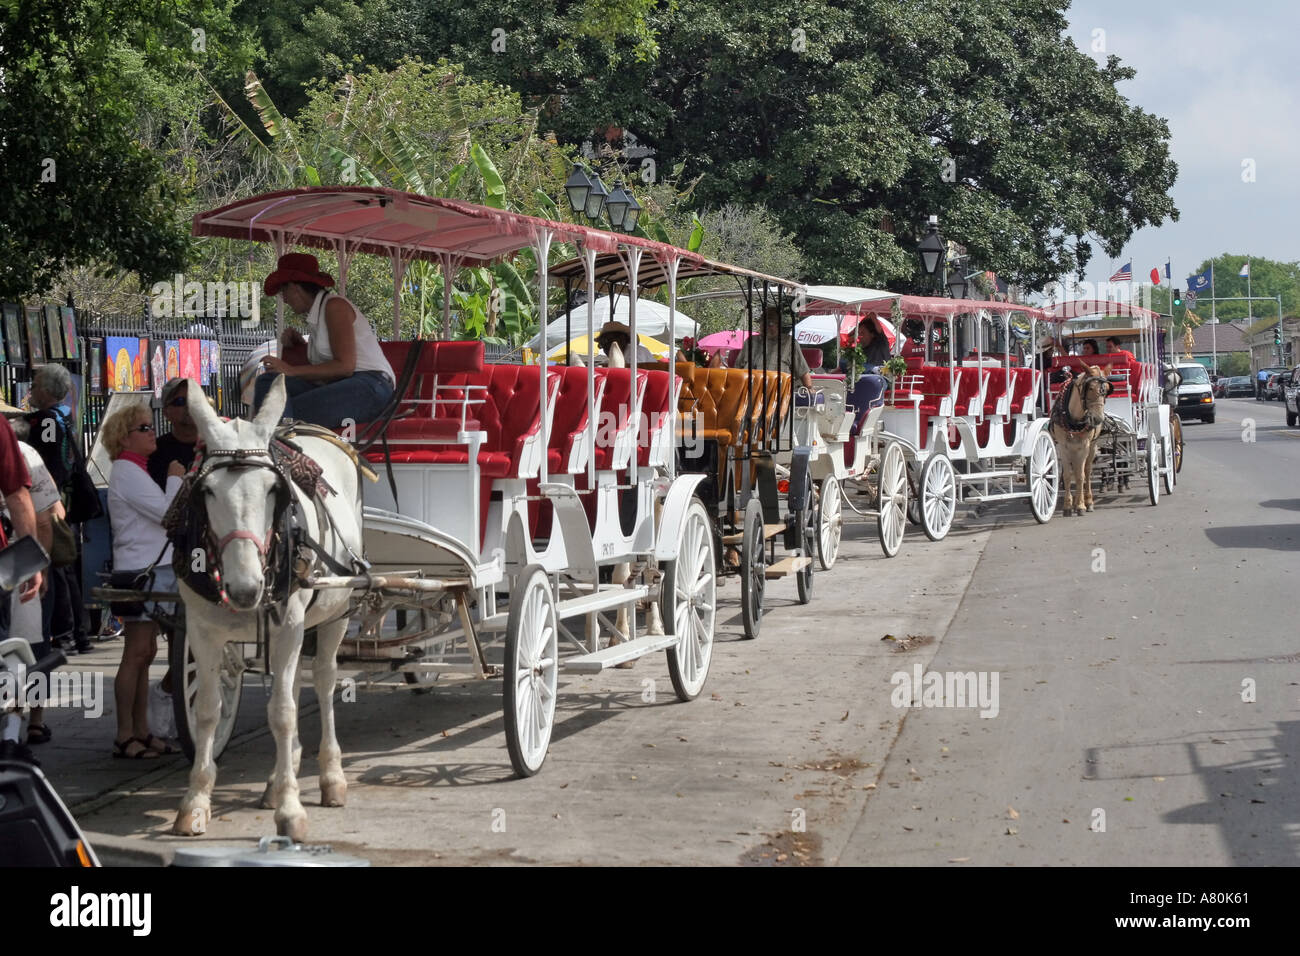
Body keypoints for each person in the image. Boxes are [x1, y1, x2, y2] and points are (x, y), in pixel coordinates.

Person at [102, 404, 185, 759]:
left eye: (151, 426)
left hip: (153, 568)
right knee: (136, 653)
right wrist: (176, 477)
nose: (152, 432)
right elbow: (168, 513)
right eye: (143, 428)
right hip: (141, 570)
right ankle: (125, 734)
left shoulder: (135, 470)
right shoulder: (126, 470)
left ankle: (141, 729)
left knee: (146, 652)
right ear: (124, 437)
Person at [252, 253, 396, 429]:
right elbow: (327, 361)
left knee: (282, 413)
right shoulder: (318, 314)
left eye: (284, 292)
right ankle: (274, 436)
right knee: (269, 382)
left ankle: (276, 441)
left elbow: (344, 367)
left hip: (369, 387)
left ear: (295, 288)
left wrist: (291, 370)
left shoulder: (335, 306)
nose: (285, 299)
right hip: (344, 385)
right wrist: (302, 346)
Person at [25, 364, 97, 655]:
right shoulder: (63, 418)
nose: (31, 389)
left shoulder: (45, 422)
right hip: (64, 503)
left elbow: (46, 465)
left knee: (57, 569)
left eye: (36, 384)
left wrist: (45, 501)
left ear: (47, 391)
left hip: (52, 504)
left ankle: (65, 634)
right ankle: (78, 635)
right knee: (66, 568)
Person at [734, 304, 813, 389]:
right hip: (750, 390)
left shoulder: (789, 342)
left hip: (778, 393)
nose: (766, 327)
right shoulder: (751, 341)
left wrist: (809, 389)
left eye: (770, 323)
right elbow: (737, 368)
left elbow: (802, 370)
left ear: (778, 325)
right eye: (763, 323)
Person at [841, 317, 892, 433]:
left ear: (873, 334)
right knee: (845, 362)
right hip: (861, 379)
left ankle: (874, 370)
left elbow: (877, 325)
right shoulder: (859, 349)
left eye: (863, 333)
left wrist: (867, 314)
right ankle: (872, 369)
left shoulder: (880, 343)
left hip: (879, 381)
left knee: (868, 378)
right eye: (858, 333)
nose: (859, 336)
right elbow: (843, 363)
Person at [148, 378, 199, 490]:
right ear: (166, 413)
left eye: (194, 399)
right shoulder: (155, 453)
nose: (189, 405)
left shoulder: (216, 448)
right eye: (180, 401)